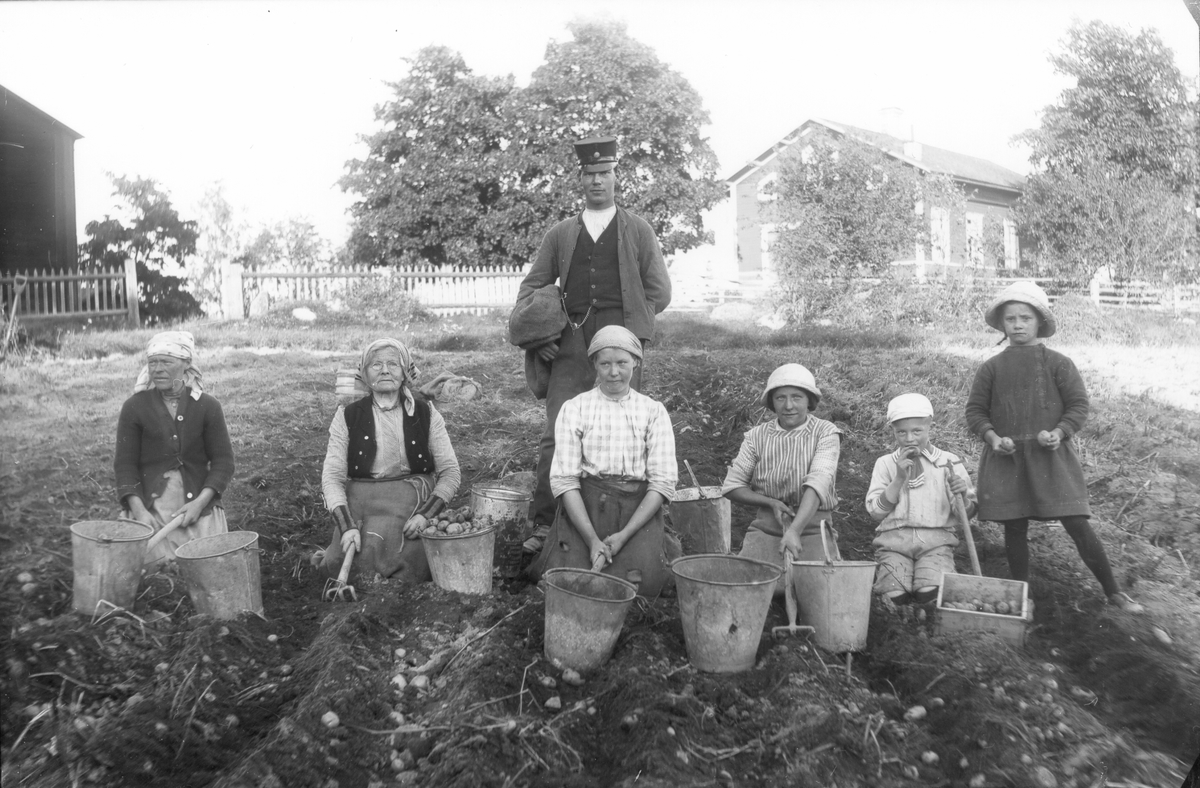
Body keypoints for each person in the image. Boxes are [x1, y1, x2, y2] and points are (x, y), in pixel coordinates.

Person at [514, 136, 672, 556]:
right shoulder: (561, 234)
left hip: (619, 344)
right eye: (590, 174)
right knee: (556, 432)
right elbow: (531, 288)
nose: (597, 181)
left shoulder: (638, 230)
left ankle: (633, 519)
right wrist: (544, 336)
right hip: (571, 342)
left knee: (629, 426)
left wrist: (632, 333)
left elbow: (659, 291)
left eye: (604, 173)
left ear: (616, 178)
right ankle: (545, 523)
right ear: (580, 179)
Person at [965, 281, 1143, 613]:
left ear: (1040, 322)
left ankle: (1114, 592)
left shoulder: (1059, 363)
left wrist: (1059, 432)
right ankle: (1022, 598)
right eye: (1010, 319)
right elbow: (975, 412)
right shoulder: (991, 368)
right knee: (1014, 527)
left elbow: (1078, 406)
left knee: (1076, 522)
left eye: (1025, 318)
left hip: (1051, 459)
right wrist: (994, 439)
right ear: (1002, 324)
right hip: (1008, 460)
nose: (1018, 325)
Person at [527, 325, 678, 597]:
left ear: (636, 362)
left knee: (643, 585)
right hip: (586, 509)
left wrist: (624, 535)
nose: (614, 372)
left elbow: (662, 483)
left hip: (636, 511)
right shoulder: (575, 408)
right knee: (568, 580)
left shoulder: (653, 412)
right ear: (594, 364)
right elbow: (565, 481)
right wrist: (592, 540)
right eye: (605, 363)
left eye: (622, 363)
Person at [319, 338, 461, 582]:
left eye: (393, 364)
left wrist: (425, 515)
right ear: (364, 373)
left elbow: (450, 472)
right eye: (376, 364)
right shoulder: (347, 416)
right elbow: (332, 477)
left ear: (405, 371)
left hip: (411, 505)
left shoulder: (427, 413)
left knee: (416, 563)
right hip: (362, 507)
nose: (385, 370)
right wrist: (347, 526)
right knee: (339, 563)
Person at [115, 331, 235, 566]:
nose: (157, 369)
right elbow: (125, 466)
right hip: (150, 512)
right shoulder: (134, 407)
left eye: (166, 362)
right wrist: (140, 513)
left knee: (207, 566)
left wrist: (199, 503)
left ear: (186, 363)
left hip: (199, 509)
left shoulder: (207, 406)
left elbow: (224, 462)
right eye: (152, 362)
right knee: (150, 570)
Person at [722, 364, 841, 595]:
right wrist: (771, 503)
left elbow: (818, 482)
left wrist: (795, 530)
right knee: (750, 588)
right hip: (768, 526)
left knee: (818, 592)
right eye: (780, 398)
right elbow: (732, 486)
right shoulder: (756, 436)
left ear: (809, 400)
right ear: (771, 402)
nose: (788, 406)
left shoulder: (826, 432)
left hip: (813, 526)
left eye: (796, 397)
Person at [866, 393, 975, 611]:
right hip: (894, 544)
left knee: (930, 593)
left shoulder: (948, 462)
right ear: (893, 431)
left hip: (936, 544)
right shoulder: (885, 464)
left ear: (929, 427)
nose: (909, 438)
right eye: (901, 432)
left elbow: (967, 513)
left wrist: (962, 495)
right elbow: (876, 512)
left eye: (917, 431)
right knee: (894, 597)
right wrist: (898, 478)